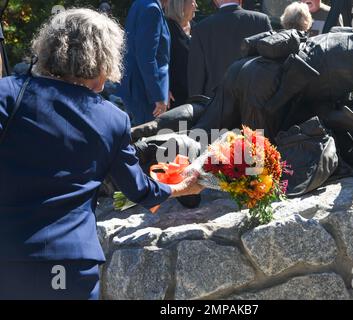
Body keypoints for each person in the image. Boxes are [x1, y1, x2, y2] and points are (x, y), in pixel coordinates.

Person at [0, 8, 202, 300]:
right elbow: (139, 190)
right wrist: (181, 187)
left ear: (50, 48)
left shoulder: (8, 94)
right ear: (103, 58)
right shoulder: (111, 119)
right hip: (70, 264)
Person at [187, 0, 272, 97]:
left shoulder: (201, 28)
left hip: (215, 104)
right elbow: (270, 65)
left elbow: (196, 76)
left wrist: (196, 105)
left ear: (215, 1)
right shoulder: (261, 21)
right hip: (253, 102)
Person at [119, 0, 171, 125]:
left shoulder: (141, 3)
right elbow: (146, 58)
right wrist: (157, 96)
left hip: (139, 87)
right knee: (146, 138)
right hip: (144, 92)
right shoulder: (151, 8)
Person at [165, 0, 198, 108]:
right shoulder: (167, 29)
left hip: (196, 94)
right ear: (180, 4)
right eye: (193, 2)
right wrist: (165, 89)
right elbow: (161, 61)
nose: (196, 6)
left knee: (196, 124)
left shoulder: (197, 28)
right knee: (182, 124)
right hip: (176, 97)